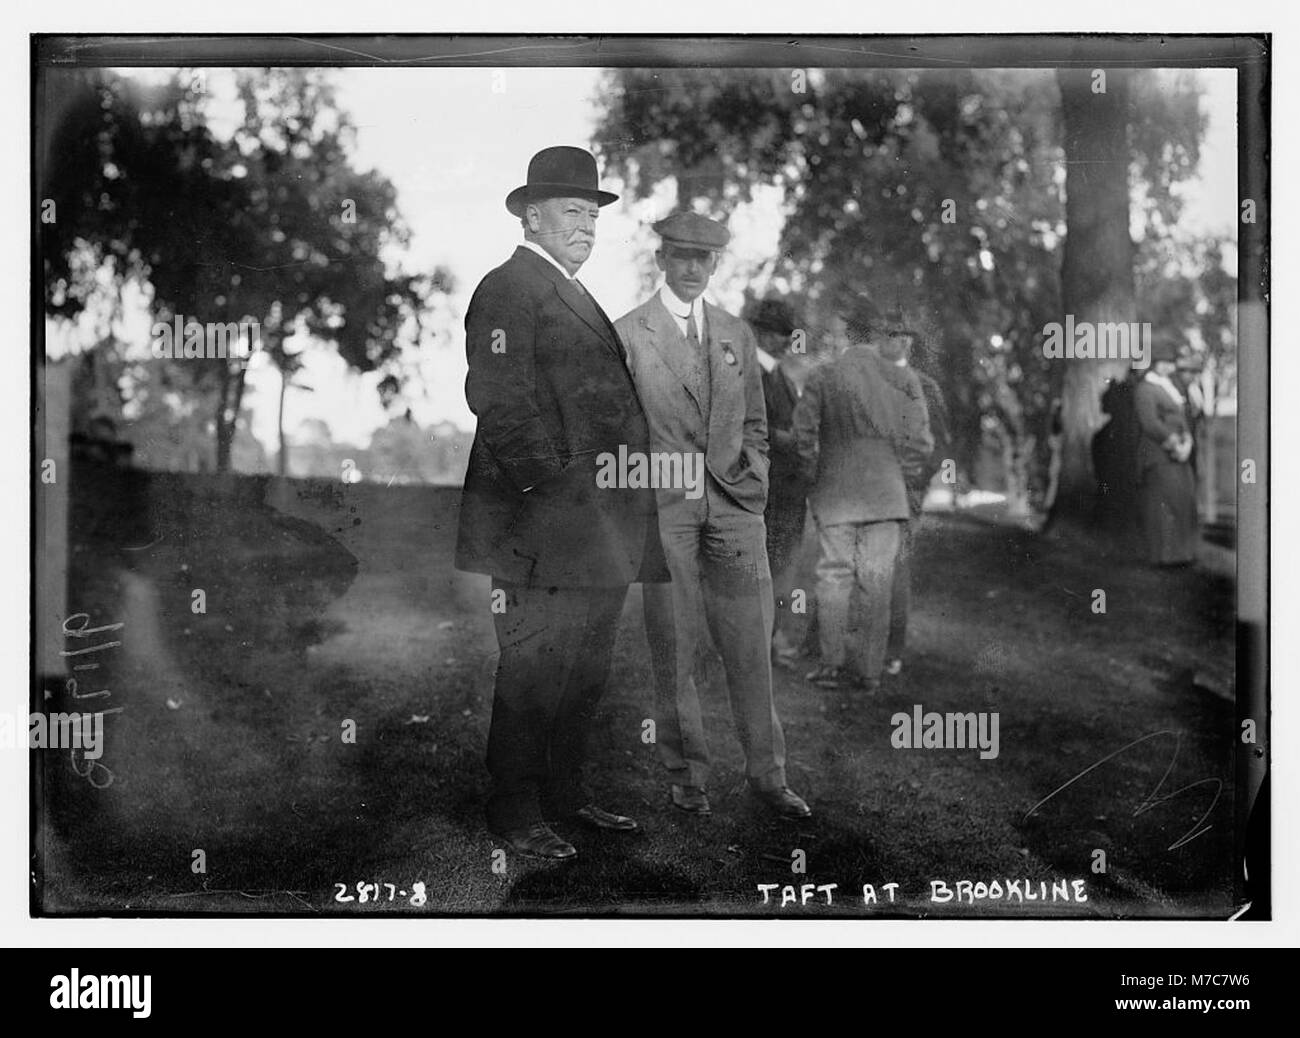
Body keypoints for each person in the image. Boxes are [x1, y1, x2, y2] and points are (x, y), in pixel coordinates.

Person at [455, 146, 668, 861]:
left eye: (593, 215)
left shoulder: (572, 292)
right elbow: (497, 395)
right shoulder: (509, 287)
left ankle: (566, 796)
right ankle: (513, 810)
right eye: (574, 213)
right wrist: (549, 492)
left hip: (600, 529)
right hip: (543, 529)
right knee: (535, 665)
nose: (588, 227)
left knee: (585, 668)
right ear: (532, 214)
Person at [615, 211, 811, 820]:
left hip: (734, 507)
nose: (693, 268)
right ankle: (687, 777)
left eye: (704, 259)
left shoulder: (736, 334)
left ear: (716, 264)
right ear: (662, 260)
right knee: (673, 642)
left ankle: (768, 776)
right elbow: (616, 428)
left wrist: (752, 480)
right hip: (666, 507)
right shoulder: (629, 334)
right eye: (681, 256)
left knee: (750, 639)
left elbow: (755, 420)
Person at [794, 296, 932, 694]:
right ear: (875, 336)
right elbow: (921, 443)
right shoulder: (904, 380)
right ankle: (870, 672)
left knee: (834, 578)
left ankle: (831, 666)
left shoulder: (824, 376)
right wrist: (897, 475)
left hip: (835, 496)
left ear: (848, 337)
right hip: (887, 495)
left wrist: (815, 475)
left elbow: (804, 437)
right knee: (877, 580)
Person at [745, 296, 811, 669]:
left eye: (786, 334)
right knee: (765, 571)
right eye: (775, 333)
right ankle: (755, 648)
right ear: (758, 332)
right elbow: (746, 426)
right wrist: (786, 439)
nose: (783, 340)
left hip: (786, 492)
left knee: (780, 570)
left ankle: (767, 643)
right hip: (765, 491)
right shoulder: (751, 371)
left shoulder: (780, 374)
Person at [883, 319, 948, 677]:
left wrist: (915, 484)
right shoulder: (863, 381)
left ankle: (891, 650)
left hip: (903, 492)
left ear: (909, 343)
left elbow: (938, 444)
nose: (894, 342)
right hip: (863, 489)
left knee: (895, 567)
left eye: (900, 336)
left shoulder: (925, 387)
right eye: (887, 334)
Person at [1133, 335, 1198, 566]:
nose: (1169, 367)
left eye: (1171, 362)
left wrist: (1187, 443)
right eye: (1165, 362)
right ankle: (1162, 558)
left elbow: (1182, 419)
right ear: (1155, 362)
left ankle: (1182, 555)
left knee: (1182, 500)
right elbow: (1150, 422)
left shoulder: (1170, 386)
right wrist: (1174, 443)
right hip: (1158, 453)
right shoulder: (1145, 388)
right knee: (1163, 502)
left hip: (1179, 454)